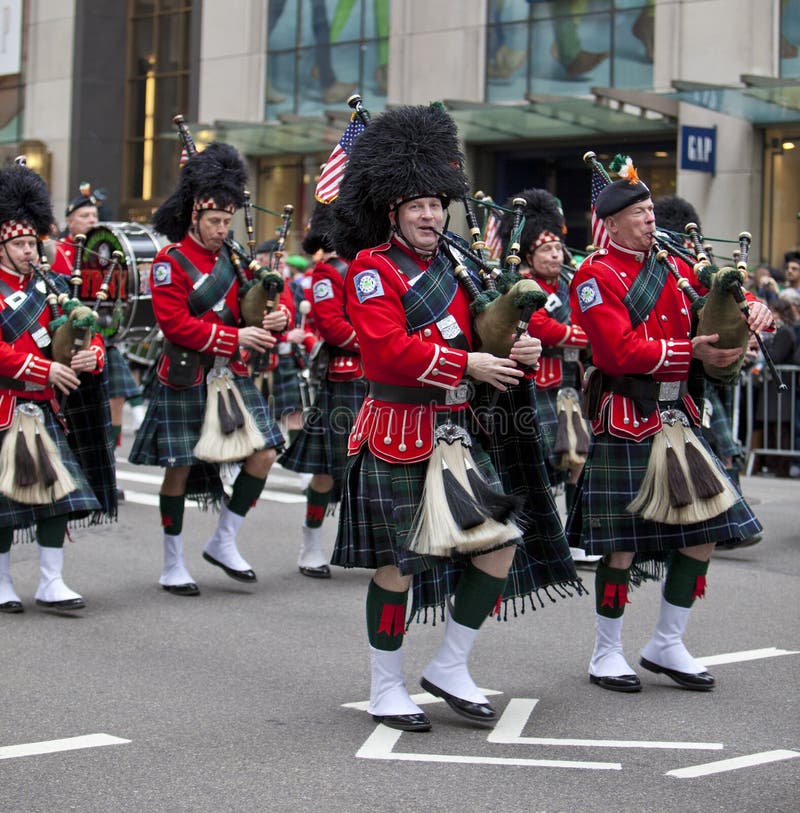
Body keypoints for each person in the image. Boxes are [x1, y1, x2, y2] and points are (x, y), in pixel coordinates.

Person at [332, 104, 583, 732]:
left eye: (436, 204)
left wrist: (518, 348)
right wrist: (466, 363)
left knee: (499, 544)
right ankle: (385, 686)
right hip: (397, 432)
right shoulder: (371, 269)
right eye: (416, 205)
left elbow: (486, 330)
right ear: (391, 210)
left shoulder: (456, 264)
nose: (429, 215)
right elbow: (386, 349)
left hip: (457, 433)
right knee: (398, 565)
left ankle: (449, 664)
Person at [567, 157, 772, 693]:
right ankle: (607, 650)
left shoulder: (674, 260)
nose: (649, 218)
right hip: (627, 417)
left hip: (679, 415)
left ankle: (667, 641)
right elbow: (616, 351)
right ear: (612, 225)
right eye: (638, 213)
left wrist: (753, 309)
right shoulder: (594, 276)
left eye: (651, 209)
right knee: (621, 544)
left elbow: (722, 290)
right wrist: (689, 351)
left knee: (705, 533)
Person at [129, 142, 287, 596]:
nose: (221, 229)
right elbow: (175, 325)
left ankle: (223, 540)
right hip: (186, 375)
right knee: (179, 468)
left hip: (230, 375)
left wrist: (276, 318)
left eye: (226, 222)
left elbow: (257, 306)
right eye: (214, 221)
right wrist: (235, 338)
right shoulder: (169, 262)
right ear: (194, 216)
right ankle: (172, 563)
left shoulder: (233, 259)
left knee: (264, 453)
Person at [0, 163, 115, 614]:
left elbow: (88, 331)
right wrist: (43, 368)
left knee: (58, 495)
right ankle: (2, 581)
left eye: (33, 243)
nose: (30, 251)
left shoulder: (53, 287)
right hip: (6, 404)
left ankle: (51, 581)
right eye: (20, 244)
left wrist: (91, 356)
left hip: (45, 406)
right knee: (4, 503)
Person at [498, 188, 598, 567]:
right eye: (546, 250)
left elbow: (589, 319)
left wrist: (584, 335)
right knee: (535, 464)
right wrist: (583, 336)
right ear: (529, 256)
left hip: (569, 384)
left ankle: (574, 537)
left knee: (578, 457)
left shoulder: (571, 284)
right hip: (536, 384)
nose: (556, 255)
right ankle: (525, 539)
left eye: (558, 248)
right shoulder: (524, 285)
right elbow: (543, 328)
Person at [279, 201, 367, 578]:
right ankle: (311, 542)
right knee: (328, 469)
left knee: (385, 465)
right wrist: (382, 345)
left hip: (387, 378)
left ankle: (380, 545)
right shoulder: (326, 273)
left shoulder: (372, 265)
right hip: (347, 378)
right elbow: (332, 327)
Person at [52, 185, 143, 480]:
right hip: (66, 338)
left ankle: (109, 462)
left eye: (94, 215)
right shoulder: (58, 252)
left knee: (116, 397)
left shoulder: (104, 251)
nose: (91, 220)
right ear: (70, 221)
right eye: (84, 215)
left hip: (101, 335)